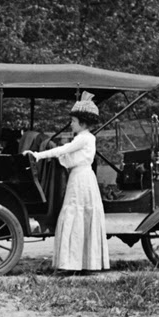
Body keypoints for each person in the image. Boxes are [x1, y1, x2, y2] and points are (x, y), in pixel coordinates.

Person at [25, 93, 109, 273]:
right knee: (77, 215)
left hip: (82, 180)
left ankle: (76, 263)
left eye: (73, 121)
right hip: (80, 178)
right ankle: (79, 262)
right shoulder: (84, 138)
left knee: (77, 214)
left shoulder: (84, 138)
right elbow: (66, 155)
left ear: (83, 123)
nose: (71, 124)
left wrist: (38, 155)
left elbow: (63, 150)